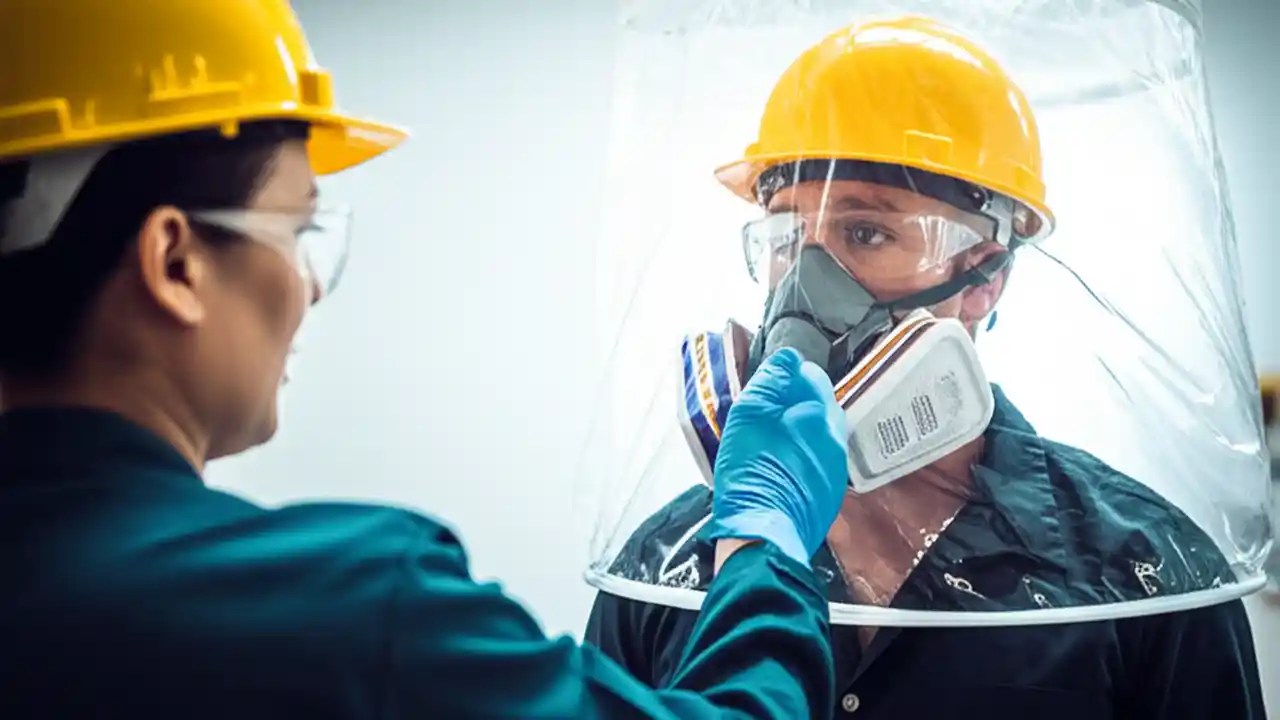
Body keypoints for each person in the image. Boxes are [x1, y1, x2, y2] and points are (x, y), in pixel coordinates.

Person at [0, 2, 854, 717]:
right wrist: (761, 548)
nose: (311, 289)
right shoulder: (350, 611)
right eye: (298, 232)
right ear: (175, 263)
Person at [584, 17, 1267, 719]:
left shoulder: (1147, 572)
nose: (804, 286)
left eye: (866, 232)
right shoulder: (668, 568)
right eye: (788, 236)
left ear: (983, 278)